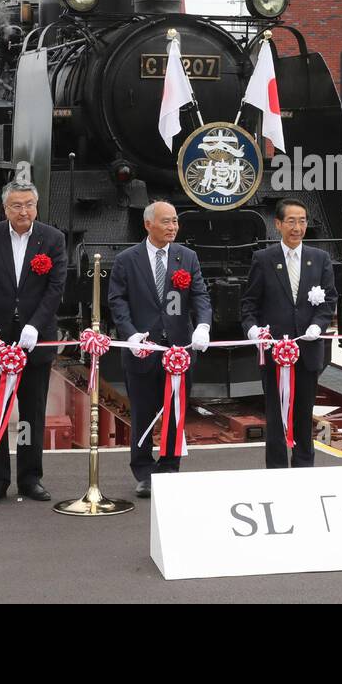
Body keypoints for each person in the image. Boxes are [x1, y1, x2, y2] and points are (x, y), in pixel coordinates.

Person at [0, 180, 67, 505]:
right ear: (5, 208)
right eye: (16, 206)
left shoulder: (52, 239)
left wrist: (35, 326)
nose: (24, 211)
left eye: (29, 205)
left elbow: (55, 288)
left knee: (31, 414)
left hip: (34, 344)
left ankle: (30, 478)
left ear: (37, 207)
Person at [106, 201, 211, 498]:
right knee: (142, 410)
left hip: (179, 349)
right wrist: (130, 334)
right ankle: (143, 470)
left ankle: (169, 466)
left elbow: (200, 295)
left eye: (175, 222)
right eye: (166, 222)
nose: (173, 227)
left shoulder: (187, 257)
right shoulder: (127, 259)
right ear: (148, 224)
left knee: (176, 411)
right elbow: (117, 301)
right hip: (143, 349)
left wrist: (203, 325)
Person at [240, 198, 338, 468]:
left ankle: (304, 466)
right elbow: (249, 304)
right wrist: (253, 331)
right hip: (274, 352)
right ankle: (277, 468)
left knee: (304, 413)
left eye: (302, 221)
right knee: (274, 413)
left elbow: (329, 299)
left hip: (307, 350)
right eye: (291, 221)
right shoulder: (264, 258)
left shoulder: (320, 259)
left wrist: (318, 325)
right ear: (279, 224)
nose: (297, 227)